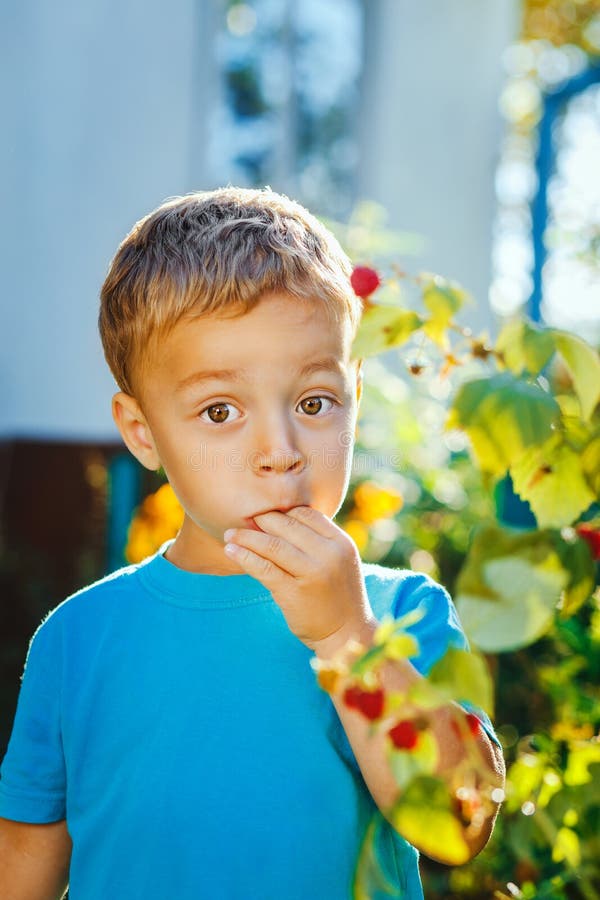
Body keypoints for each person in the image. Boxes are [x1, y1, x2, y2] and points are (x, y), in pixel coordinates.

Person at [0, 187, 504, 899]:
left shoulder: (401, 614)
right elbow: (24, 862)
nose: (280, 451)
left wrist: (346, 637)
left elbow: (462, 823)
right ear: (142, 432)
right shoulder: (76, 640)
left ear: (353, 395)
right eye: (220, 410)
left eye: (312, 402)